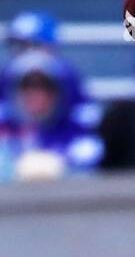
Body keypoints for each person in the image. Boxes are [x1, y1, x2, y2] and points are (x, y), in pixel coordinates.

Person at [0, 51, 102, 179]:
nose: (35, 94)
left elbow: (85, 171)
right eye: (27, 87)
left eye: (44, 87)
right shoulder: (5, 132)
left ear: (57, 94)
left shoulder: (78, 139)